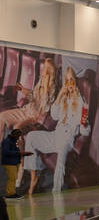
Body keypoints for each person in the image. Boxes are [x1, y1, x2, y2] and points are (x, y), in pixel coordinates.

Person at [24, 66, 89, 195]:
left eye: (72, 80)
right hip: (56, 134)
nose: (69, 84)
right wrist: (60, 95)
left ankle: (56, 193)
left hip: (67, 139)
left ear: (75, 82)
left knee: (60, 161)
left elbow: (84, 131)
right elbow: (54, 115)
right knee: (31, 137)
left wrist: (85, 124)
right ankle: (34, 177)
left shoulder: (82, 102)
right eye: (67, 81)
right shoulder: (64, 98)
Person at [0, 56, 57, 142]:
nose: (42, 71)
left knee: (17, 129)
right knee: (2, 117)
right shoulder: (41, 81)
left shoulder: (53, 90)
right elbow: (33, 96)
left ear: (48, 72)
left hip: (34, 117)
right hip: (26, 110)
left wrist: (45, 87)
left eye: (44, 68)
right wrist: (22, 89)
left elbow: (44, 108)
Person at [2, 127, 23, 197]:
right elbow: (6, 152)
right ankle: (10, 194)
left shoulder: (14, 141)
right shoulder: (7, 141)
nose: (19, 137)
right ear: (14, 135)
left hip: (14, 162)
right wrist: (19, 153)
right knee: (12, 178)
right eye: (18, 136)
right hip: (9, 163)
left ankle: (13, 192)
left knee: (14, 178)